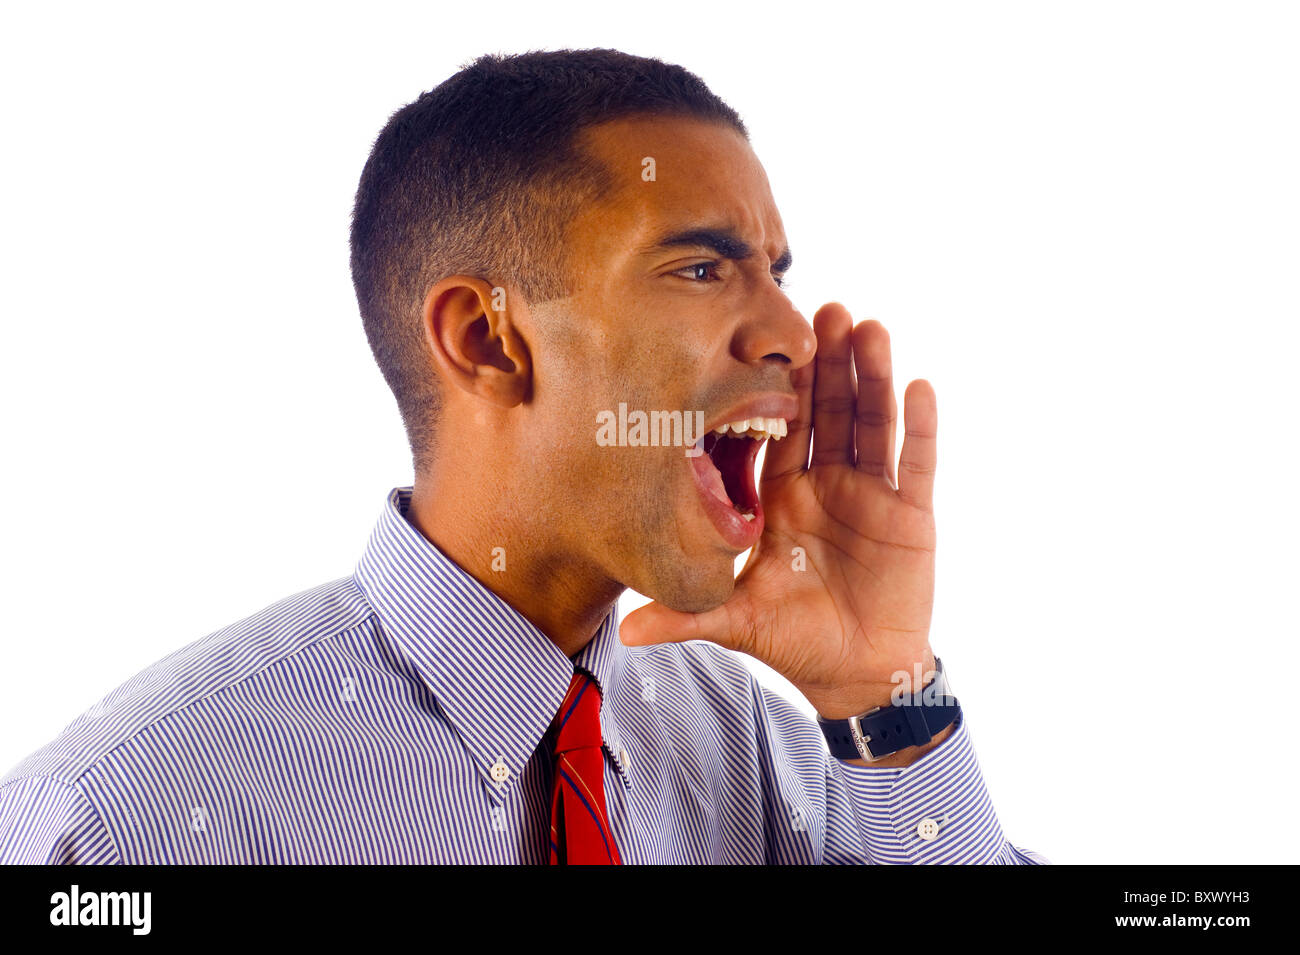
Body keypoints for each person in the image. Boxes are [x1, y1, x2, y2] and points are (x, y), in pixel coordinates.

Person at [0, 48, 1047, 864]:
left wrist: (882, 690)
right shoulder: (114, 821)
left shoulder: (785, 767)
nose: (792, 332)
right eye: (699, 267)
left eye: (773, 270)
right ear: (487, 340)